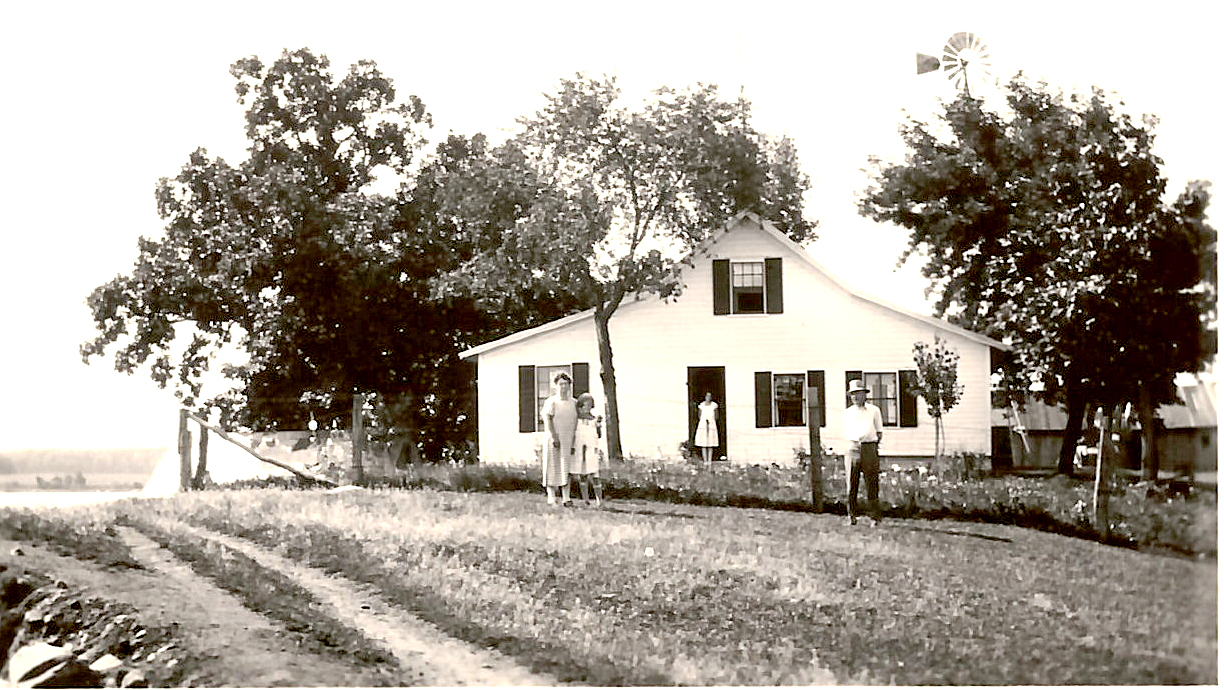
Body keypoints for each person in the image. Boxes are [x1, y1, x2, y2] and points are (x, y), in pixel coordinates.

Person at [843, 379, 884, 525]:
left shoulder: (874, 410)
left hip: (869, 448)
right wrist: (853, 445)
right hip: (852, 448)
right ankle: (851, 516)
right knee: (851, 484)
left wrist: (871, 446)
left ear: (864, 395)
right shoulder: (847, 413)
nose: (855, 397)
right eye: (853, 394)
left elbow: (879, 432)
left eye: (858, 393)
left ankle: (874, 518)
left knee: (871, 484)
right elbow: (846, 431)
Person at [541, 371, 578, 506]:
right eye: (561, 384)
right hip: (554, 438)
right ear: (555, 386)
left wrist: (574, 442)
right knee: (552, 466)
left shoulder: (574, 403)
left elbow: (577, 423)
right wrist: (554, 437)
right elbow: (547, 419)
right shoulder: (551, 402)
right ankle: (551, 497)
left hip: (569, 439)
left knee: (566, 468)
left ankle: (566, 498)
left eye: (566, 384)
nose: (563, 387)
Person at [572, 392, 605, 507]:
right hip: (580, 449)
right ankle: (586, 500)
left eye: (589, 405)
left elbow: (599, 435)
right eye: (585, 405)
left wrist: (599, 426)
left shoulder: (594, 419)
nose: (587, 407)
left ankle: (599, 500)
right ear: (580, 406)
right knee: (583, 475)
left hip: (592, 449)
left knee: (595, 475)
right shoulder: (576, 420)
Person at [694, 392, 719, 466]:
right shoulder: (702, 405)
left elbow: (716, 416)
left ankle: (709, 460)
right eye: (707, 396)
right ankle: (705, 460)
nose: (708, 398)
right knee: (703, 442)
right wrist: (704, 421)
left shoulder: (714, 405)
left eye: (710, 396)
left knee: (711, 442)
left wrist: (711, 421)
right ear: (705, 397)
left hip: (711, 424)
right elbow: (699, 415)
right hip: (703, 424)